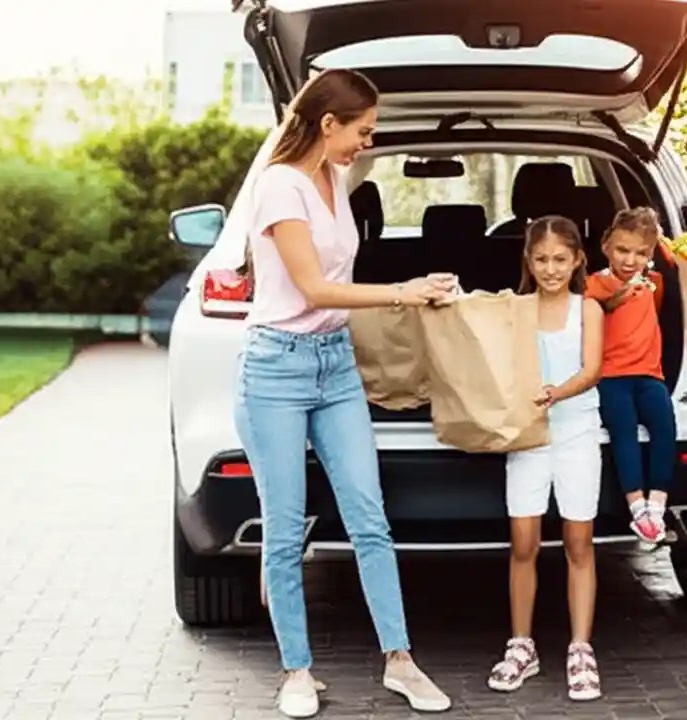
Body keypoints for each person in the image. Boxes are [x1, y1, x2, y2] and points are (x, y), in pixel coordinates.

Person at [233, 68, 455, 718]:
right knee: (282, 532)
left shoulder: (335, 177)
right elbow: (313, 288)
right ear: (328, 124)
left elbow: (337, 280)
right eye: (363, 130)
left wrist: (420, 288)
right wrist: (402, 292)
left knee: (370, 519)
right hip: (276, 369)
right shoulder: (279, 186)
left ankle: (401, 662)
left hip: (335, 365)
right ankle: (296, 672)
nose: (368, 142)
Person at [486, 215, 605, 702]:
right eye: (541, 260)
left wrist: (556, 393)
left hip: (576, 433)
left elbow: (593, 369)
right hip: (528, 437)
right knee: (523, 542)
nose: (550, 269)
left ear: (578, 259)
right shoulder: (515, 308)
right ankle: (522, 646)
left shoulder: (588, 310)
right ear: (527, 262)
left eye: (560, 259)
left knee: (579, 542)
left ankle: (580, 648)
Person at [583, 207, 677, 547]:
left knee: (665, 429)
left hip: (650, 375)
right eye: (623, 250)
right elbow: (601, 309)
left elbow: (673, 261)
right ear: (606, 245)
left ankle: (657, 506)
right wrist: (621, 293)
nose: (630, 260)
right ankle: (636, 507)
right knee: (624, 434)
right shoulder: (595, 284)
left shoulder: (656, 284)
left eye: (641, 253)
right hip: (611, 377)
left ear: (650, 255)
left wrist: (660, 243)